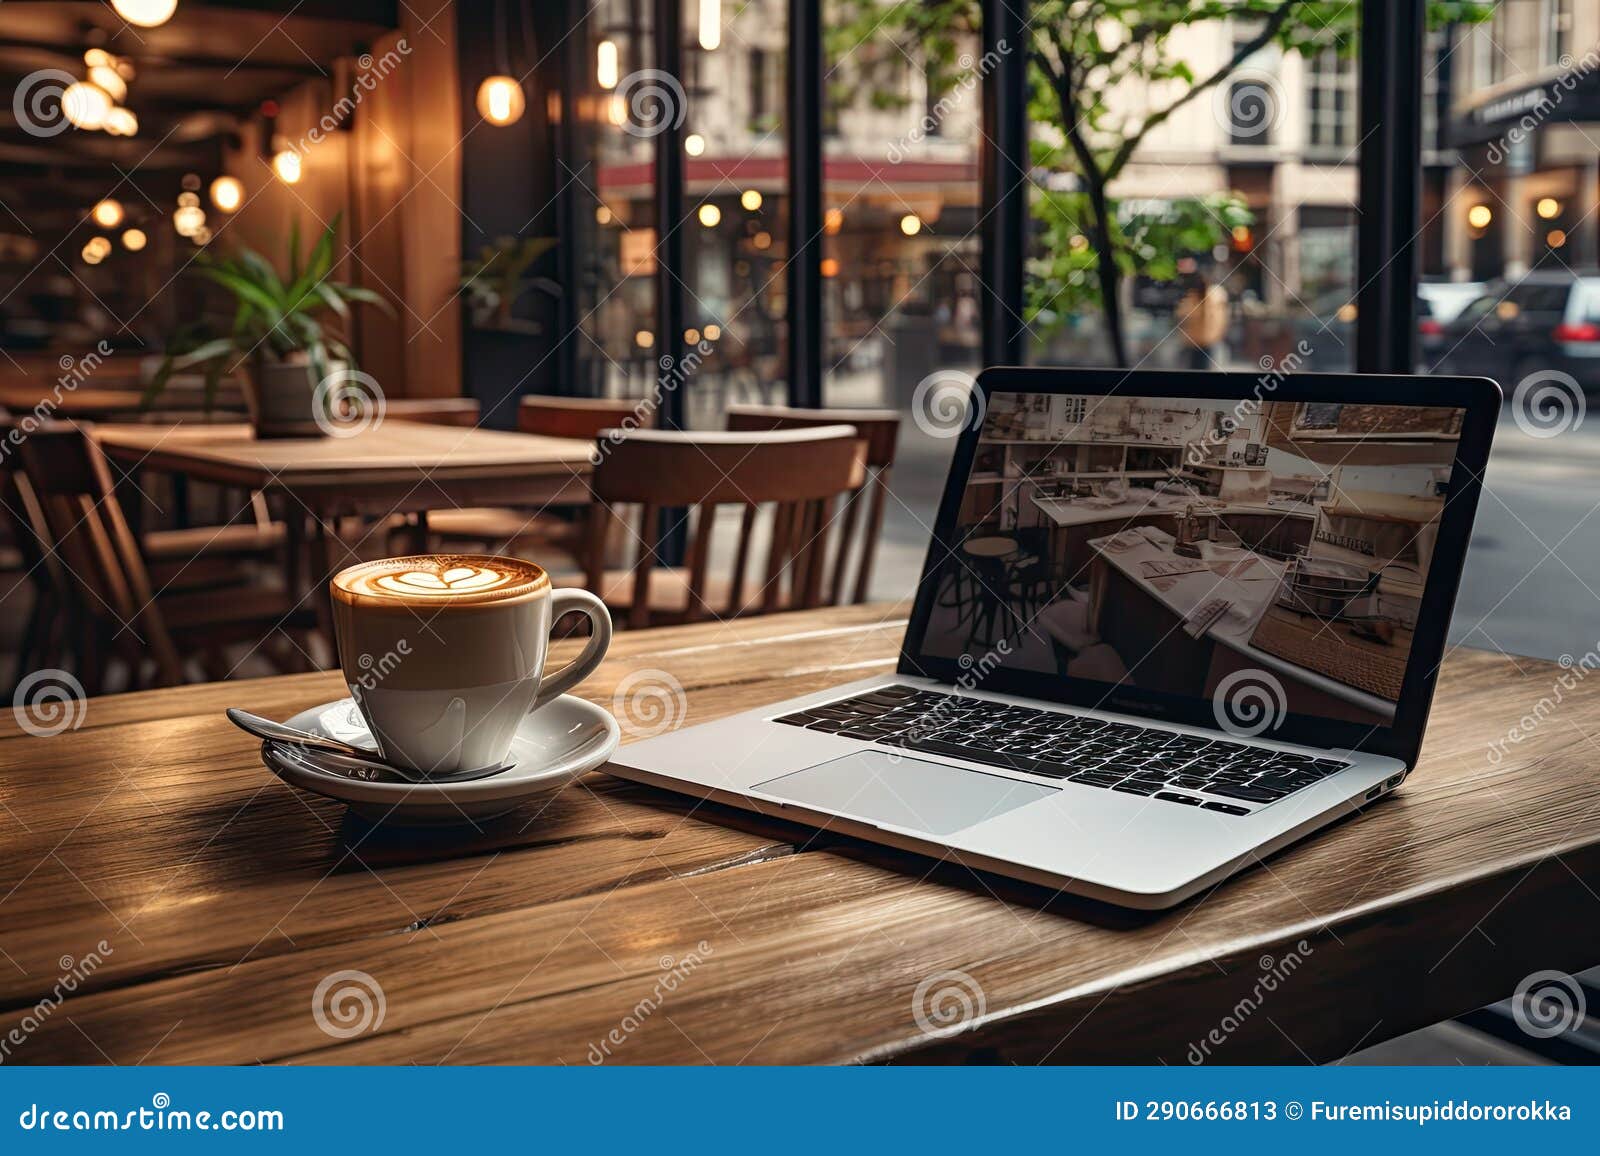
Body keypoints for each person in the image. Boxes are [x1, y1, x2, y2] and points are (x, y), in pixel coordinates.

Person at [1175, 257, 1230, 369]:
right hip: (1192, 344)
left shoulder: (1216, 293)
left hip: (1210, 342)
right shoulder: (1191, 296)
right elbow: (1182, 316)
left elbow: (1221, 318)